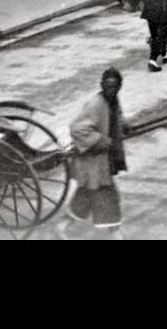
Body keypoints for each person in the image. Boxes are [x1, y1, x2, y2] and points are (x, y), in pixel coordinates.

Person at [60, 67, 129, 239]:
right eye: (108, 86)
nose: (111, 90)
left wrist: (123, 125)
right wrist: (102, 140)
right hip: (92, 162)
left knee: (87, 194)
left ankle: (62, 226)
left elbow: (116, 117)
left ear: (119, 87)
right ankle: (116, 235)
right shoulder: (95, 104)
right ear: (101, 85)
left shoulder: (113, 101)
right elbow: (77, 129)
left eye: (115, 87)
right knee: (107, 195)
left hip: (100, 162)